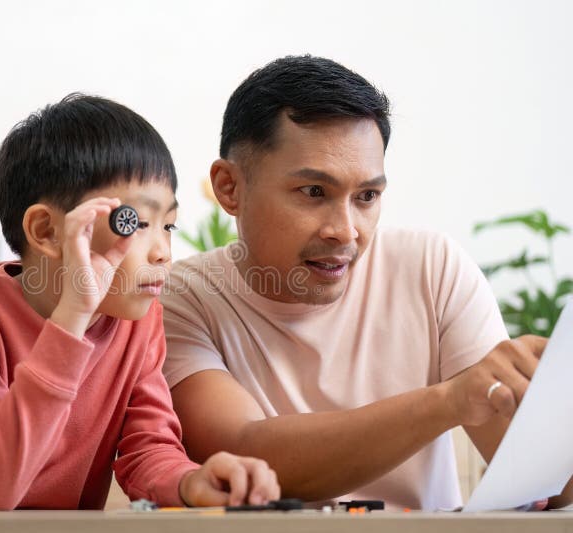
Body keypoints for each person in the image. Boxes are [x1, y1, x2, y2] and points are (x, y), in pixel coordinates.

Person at [161, 55, 572, 510]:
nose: (346, 229)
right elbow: (243, 448)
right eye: (314, 192)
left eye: (367, 197)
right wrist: (448, 401)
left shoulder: (432, 268)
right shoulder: (183, 298)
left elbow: (547, 483)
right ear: (229, 187)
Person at [0, 94, 280, 510]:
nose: (163, 252)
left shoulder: (138, 324)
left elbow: (148, 449)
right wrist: (73, 316)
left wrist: (192, 482)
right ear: (47, 232)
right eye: (135, 223)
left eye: (169, 225)